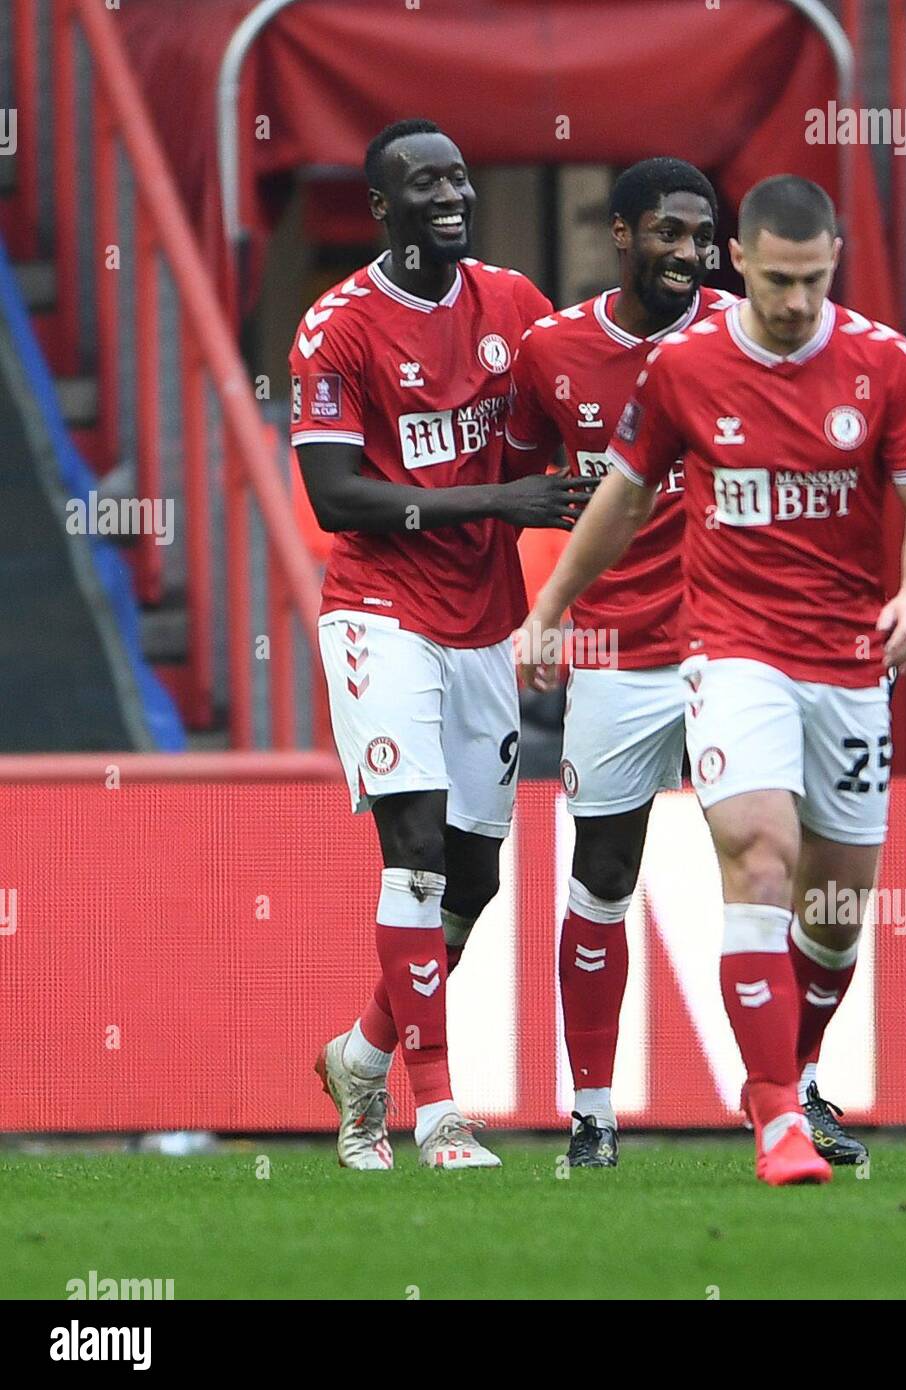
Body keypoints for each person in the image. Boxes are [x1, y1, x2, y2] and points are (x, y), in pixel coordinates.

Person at [518, 175, 906, 1185]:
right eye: (779, 280)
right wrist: (545, 615)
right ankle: (755, 1120)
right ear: (744, 264)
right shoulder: (686, 366)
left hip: (845, 656)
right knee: (747, 857)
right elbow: (617, 503)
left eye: (814, 280)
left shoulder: (882, 365)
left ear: (830, 260)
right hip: (721, 649)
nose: (796, 302)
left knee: (836, 914)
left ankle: (791, 1077)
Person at [290, 119, 592, 1171]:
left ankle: (360, 1055)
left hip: (482, 621)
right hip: (378, 613)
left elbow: (577, 406)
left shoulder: (514, 305)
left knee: (473, 878)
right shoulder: (337, 328)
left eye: (460, 175)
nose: (451, 194)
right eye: (424, 183)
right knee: (413, 857)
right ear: (381, 207)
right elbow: (333, 494)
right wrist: (499, 496)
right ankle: (437, 1112)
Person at [505, 158, 737, 1166]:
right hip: (612, 652)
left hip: (737, 644)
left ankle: (796, 1094)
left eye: (703, 237)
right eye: (670, 234)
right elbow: (518, 489)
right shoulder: (550, 350)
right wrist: (538, 615)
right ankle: (592, 1115)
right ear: (622, 234)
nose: (689, 254)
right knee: (599, 877)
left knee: (771, 863)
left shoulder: (743, 333)